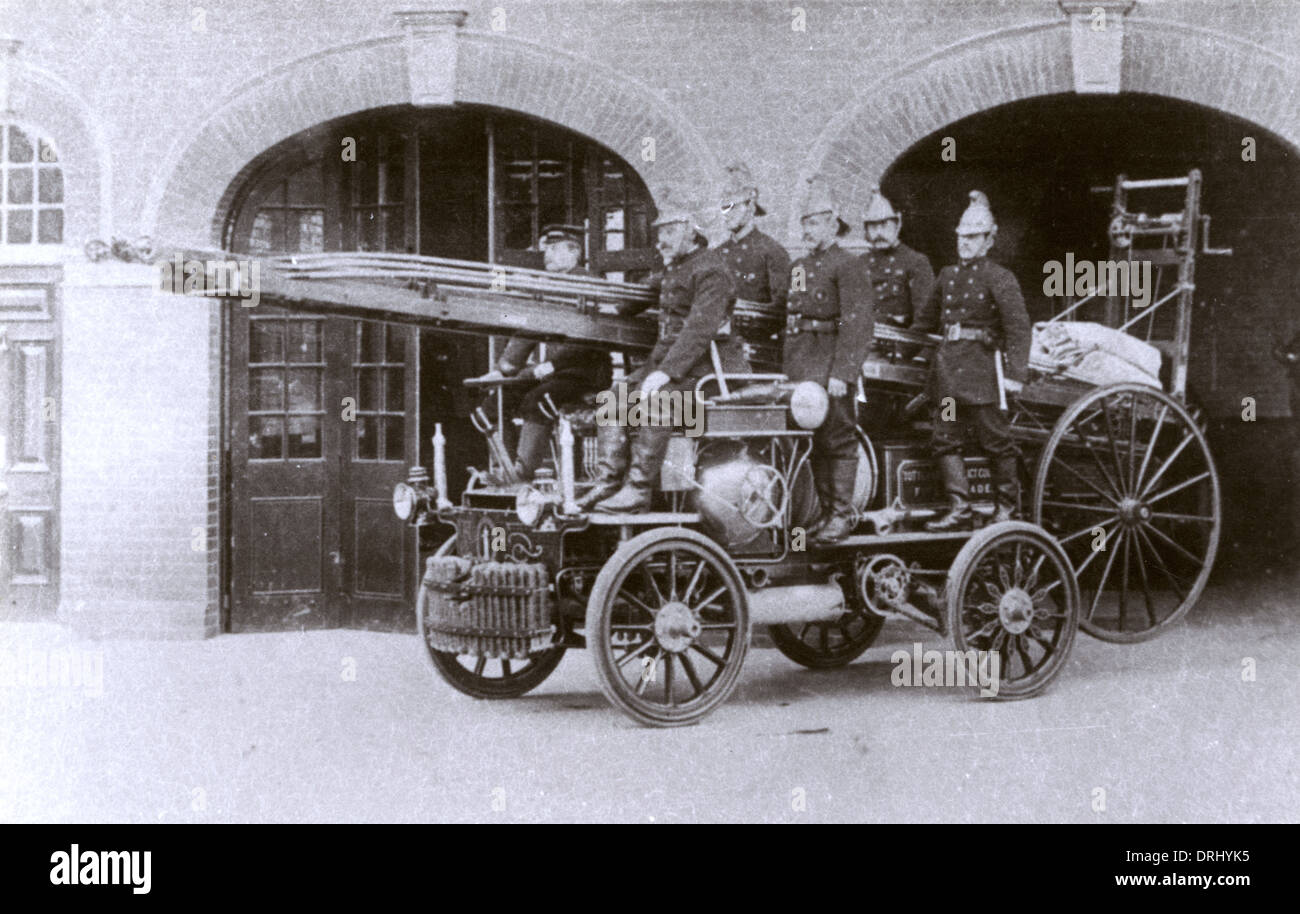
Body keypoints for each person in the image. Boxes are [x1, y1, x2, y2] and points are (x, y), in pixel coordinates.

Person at [581, 187, 747, 513]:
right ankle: (607, 483)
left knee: (658, 401)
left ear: (690, 230)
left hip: (708, 371)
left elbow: (698, 331)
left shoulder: (712, 270)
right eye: (660, 234)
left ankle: (638, 490)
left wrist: (665, 372)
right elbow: (639, 298)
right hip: (675, 367)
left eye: (669, 232)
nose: (662, 241)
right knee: (615, 398)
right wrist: (608, 303)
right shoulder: (677, 268)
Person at [912, 191, 1030, 531]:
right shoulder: (947, 276)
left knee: (995, 439)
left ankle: (1006, 507)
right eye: (961, 236)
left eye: (973, 237)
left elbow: (1018, 328)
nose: (964, 243)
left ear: (989, 240)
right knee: (945, 436)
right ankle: (959, 507)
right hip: (948, 376)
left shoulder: (1000, 278)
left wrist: (1015, 374)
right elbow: (923, 322)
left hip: (983, 378)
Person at [471, 225, 613, 481]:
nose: (546, 254)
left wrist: (552, 365)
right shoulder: (546, 286)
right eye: (546, 249)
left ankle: (522, 472)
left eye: (554, 249)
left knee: (538, 400)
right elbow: (529, 330)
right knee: (491, 405)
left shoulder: (591, 284)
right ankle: (504, 470)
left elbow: (588, 336)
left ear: (574, 252)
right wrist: (502, 371)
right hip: (550, 372)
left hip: (584, 373)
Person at [785, 175, 875, 545]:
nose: (808, 229)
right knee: (814, 441)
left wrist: (843, 372)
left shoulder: (849, 266)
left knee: (838, 439)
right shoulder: (802, 266)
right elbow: (793, 316)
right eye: (805, 223)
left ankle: (841, 514)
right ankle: (823, 513)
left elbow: (858, 324)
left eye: (815, 222)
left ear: (833, 223)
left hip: (830, 365)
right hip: (803, 365)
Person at [858, 185, 934, 431]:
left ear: (897, 224)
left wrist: (902, 352)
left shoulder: (915, 263)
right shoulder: (859, 264)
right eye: (873, 226)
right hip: (860, 352)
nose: (878, 232)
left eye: (884, 225)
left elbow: (926, 317)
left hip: (897, 358)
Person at [713, 162, 791, 365]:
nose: (726, 214)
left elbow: (783, 306)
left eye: (733, 207)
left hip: (755, 353)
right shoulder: (717, 253)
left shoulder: (772, 252)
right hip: (715, 346)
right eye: (723, 208)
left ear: (751, 206)